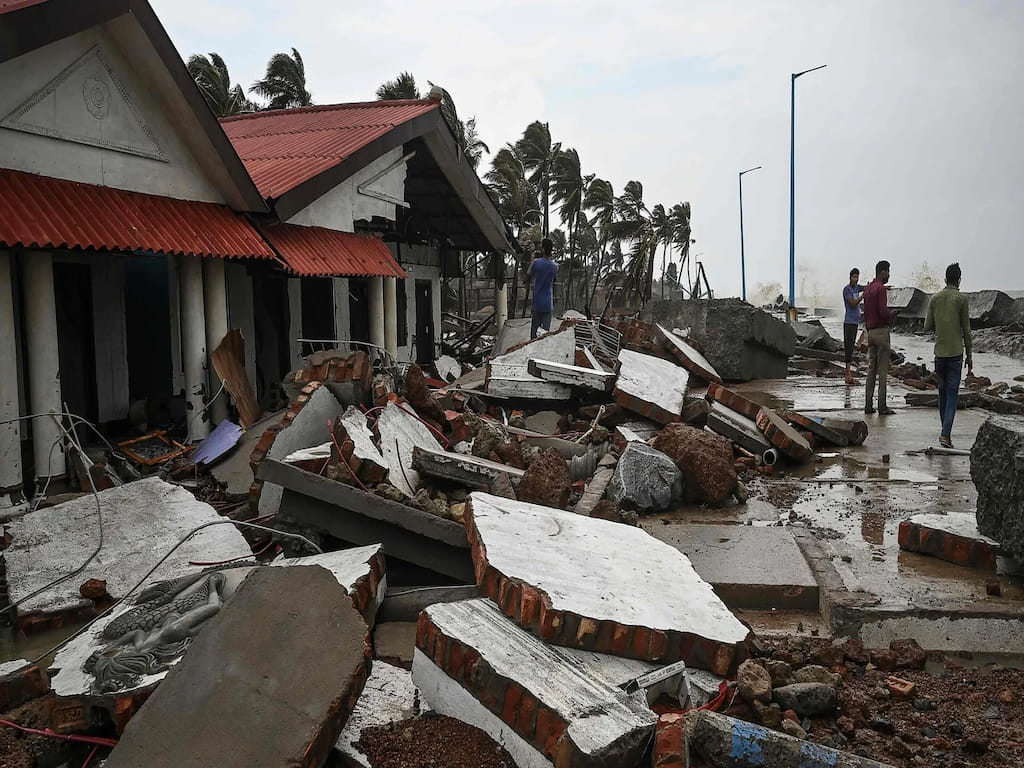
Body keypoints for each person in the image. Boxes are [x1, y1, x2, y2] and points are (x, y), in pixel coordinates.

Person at [924, 263, 972, 448]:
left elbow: (927, 326)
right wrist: (970, 354)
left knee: (942, 394)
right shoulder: (961, 299)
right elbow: (966, 330)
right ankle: (945, 434)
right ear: (959, 280)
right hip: (955, 354)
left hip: (940, 353)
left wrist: (940, 325)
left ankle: (945, 433)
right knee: (952, 395)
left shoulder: (935, 299)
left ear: (945, 279)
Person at [862, 260, 896, 415]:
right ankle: (882, 406)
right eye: (888, 272)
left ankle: (868, 405)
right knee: (882, 371)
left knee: (871, 370)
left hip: (870, 332)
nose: (889, 275)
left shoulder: (868, 288)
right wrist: (891, 315)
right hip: (882, 332)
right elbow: (882, 311)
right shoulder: (880, 289)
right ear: (883, 272)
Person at [527, 238, 558, 339]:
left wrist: (532, 258)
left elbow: (528, 275)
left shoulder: (536, 263)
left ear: (543, 249)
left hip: (537, 304)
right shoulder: (554, 267)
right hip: (548, 304)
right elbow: (553, 282)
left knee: (534, 334)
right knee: (545, 335)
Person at [843, 268, 865, 384]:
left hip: (855, 322)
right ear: (850, 277)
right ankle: (848, 374)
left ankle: (848, 373)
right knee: (848, 347)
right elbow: (852, 303)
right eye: (854, 277)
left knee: (851, 346)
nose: (855, 279)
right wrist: (862, 297)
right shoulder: (847, 290)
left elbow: (867, 287)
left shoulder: (857, 287)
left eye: (857, 277)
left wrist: (881, 286)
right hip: (849, 322)